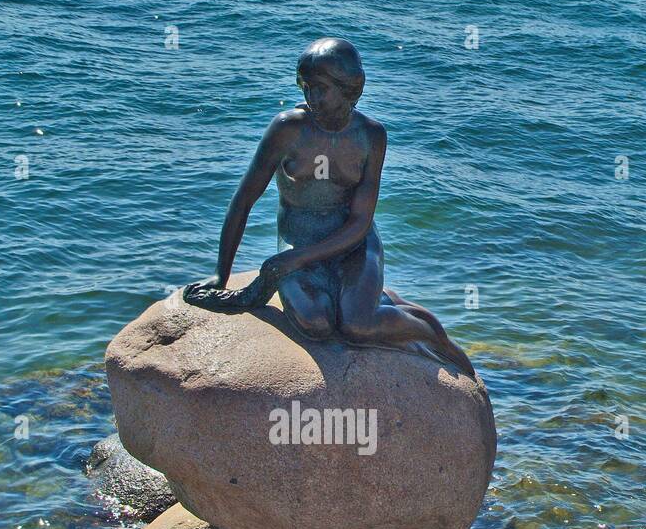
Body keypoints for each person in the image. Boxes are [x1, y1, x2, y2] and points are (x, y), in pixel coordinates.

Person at [183, 37, 474, 375]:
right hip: (300, 238)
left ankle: (429, 332)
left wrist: (293, 261)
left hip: (353, 244)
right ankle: (375, 301)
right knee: (315, 323)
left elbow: (361, 221)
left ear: (350, 88)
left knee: (357, 326)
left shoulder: (371, 136)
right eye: (304, 86)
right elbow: (243, 201)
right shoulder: (287, 129)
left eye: (320, 88)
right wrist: (222, 274)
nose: (311, 96)